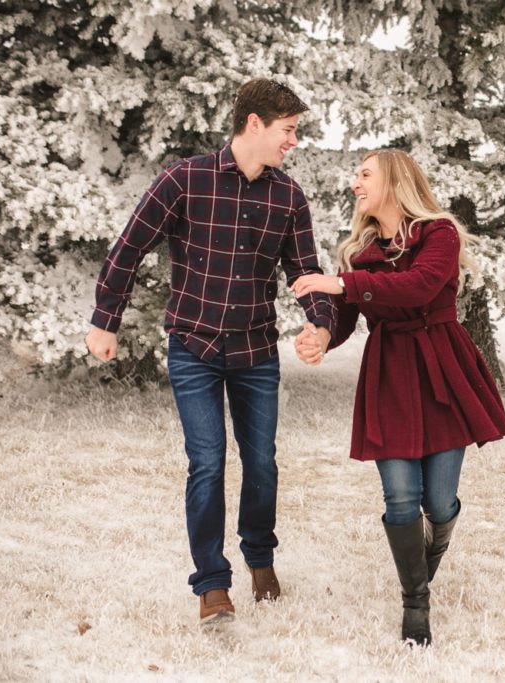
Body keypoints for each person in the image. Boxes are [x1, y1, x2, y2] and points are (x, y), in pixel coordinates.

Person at [85, 79, 336, 625]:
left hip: (255, 351)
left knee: (262, 463)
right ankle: (212, 584)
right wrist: (106, 321)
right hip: (193, 348)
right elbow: (128, 248)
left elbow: (306, 273)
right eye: (287, 130)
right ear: (254, 124)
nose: (293, 141)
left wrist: (321, 326)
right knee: (206, 462)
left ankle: (260, 558)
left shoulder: (288, 196)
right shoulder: (186, 179)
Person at [291, 148, 505, 646]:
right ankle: (416, 603)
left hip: (442, 367)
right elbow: (346, 316)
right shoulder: (358, 250)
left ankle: (439, 537)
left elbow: (417, 287)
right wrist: (321, 338)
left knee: (437, 500)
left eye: (364, 174)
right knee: (400, 496)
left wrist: (339, 282)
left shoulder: (439, 234)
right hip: (389, 372)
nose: (355, 184)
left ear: (394, 180)